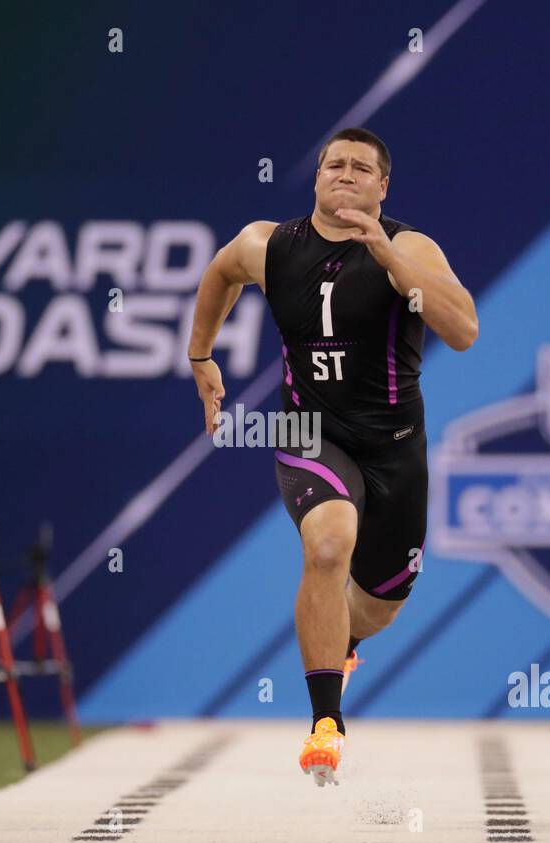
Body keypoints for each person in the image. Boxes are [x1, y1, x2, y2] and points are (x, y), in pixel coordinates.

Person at [187, 128, 477, 785]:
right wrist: (200, 355)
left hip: (396, 447)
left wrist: (390, 259)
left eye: (361, 168)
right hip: (309, 431)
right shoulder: (270, 244)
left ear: (382, 187)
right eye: (334, 165)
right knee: (327, 543)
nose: (345, 174)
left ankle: (341, 645)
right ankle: (326, 723)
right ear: (316, 178)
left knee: (379, 604)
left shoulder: (407, 245)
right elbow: (221, 272)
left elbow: (462, 331)